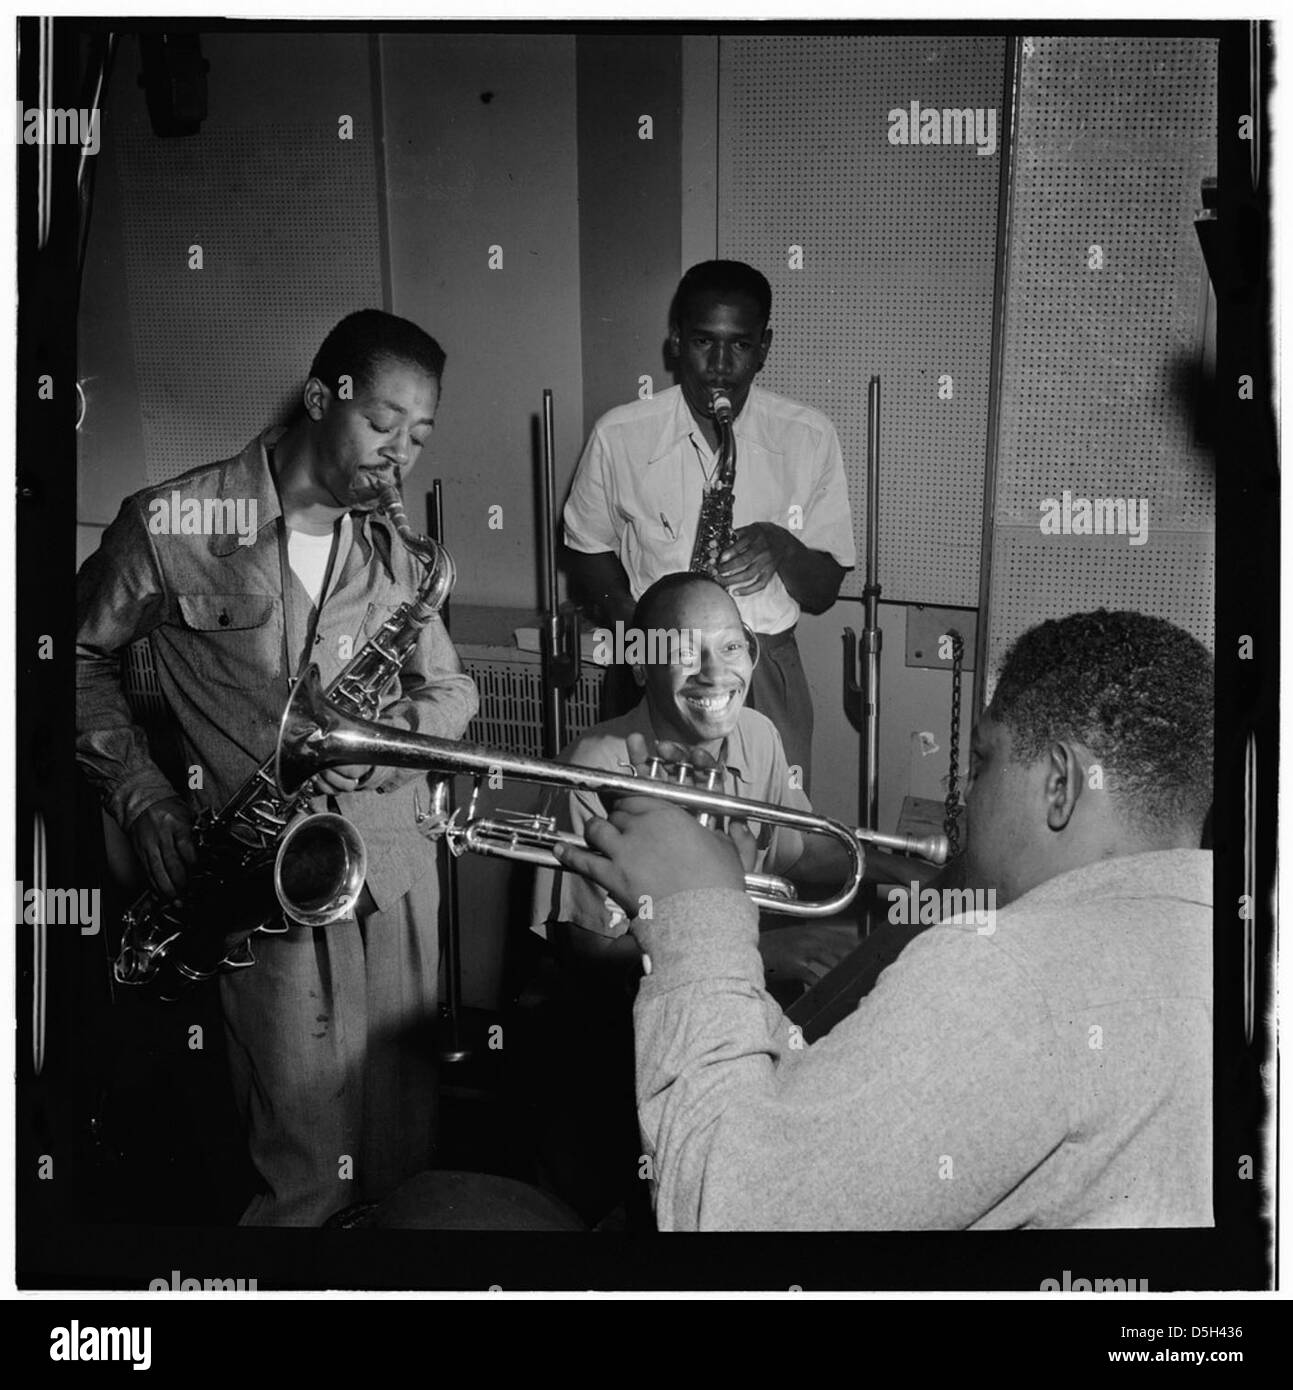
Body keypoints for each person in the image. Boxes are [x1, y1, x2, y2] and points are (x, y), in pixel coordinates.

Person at [556, 609, 1214, 1230]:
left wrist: (696, 919)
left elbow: (725, 1213)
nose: (964, 793)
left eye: (982, 761)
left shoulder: (1003, 970)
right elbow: (840, 1121)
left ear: (1060, 786)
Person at [76, 309, 479, 1226]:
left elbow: (452, 693)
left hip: (397, 869)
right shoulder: (173, 522)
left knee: (402, 1159)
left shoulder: (400, 551)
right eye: (382, 423)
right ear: (317, 398)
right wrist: (139, 796)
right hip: (267, 886)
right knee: (303, 1173)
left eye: (419, 436)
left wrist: (384, 743)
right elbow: (68, 658)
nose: (400, 454)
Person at [526, 571, 856, 1227]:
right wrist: (768, 951)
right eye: (683, 652)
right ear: (643, 669)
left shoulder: (758, 735)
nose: (713, 673)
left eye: (730, 648)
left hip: (722, 1008)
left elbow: (790, 853)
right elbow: (585, 946)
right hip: (616, 1037)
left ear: (752, 655)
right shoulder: (600, 761)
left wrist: (899, 865)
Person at [562, 259, 855, 791]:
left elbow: (824, 591)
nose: (719, 367)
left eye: (740, 346)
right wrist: (632, 623)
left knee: (770, 839)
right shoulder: (620, 434)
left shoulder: (809, 437)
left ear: (764, 346)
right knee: (645, 832)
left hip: (762, 662)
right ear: (675, 341)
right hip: (651, 656)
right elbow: (585, 549)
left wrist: (783, 548)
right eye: (703, 342)